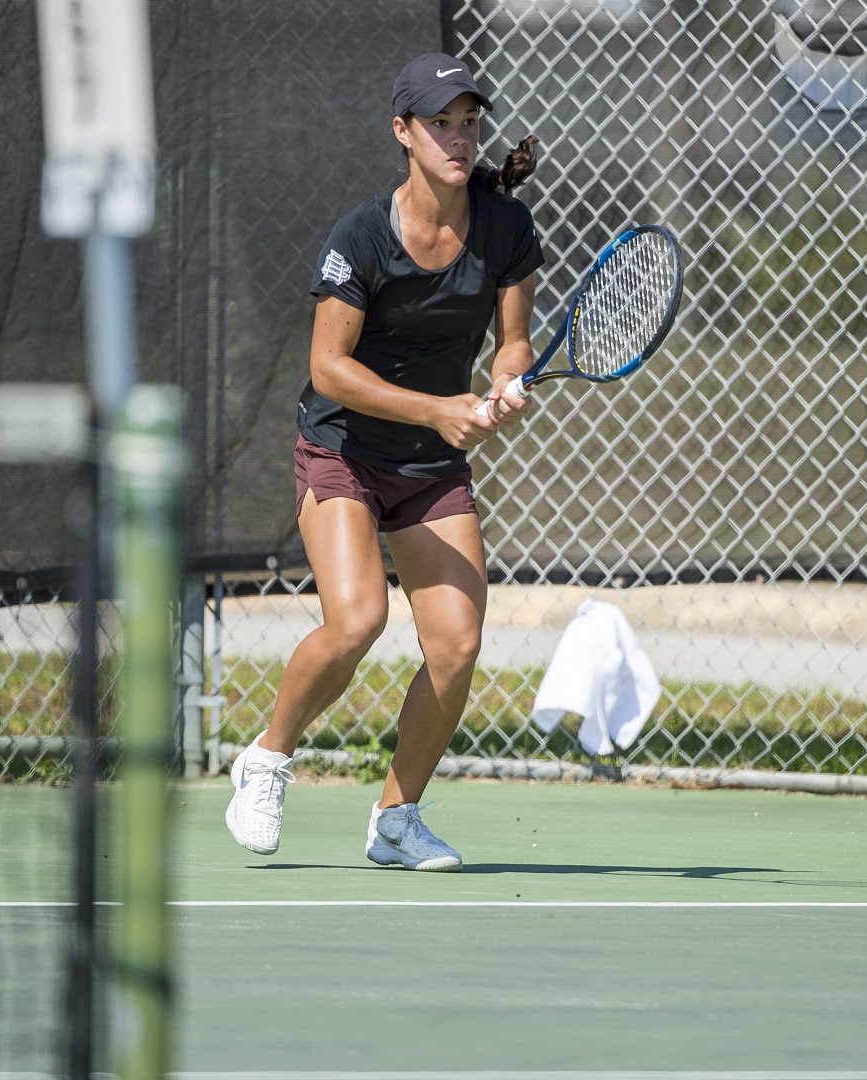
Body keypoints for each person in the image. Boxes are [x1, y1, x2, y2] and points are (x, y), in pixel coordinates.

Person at [224, 53, 543, 871]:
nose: (459, 137)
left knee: (456, 642)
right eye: (440, 122)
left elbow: (511, 341)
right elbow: (329, 368)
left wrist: (507, 384)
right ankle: (266, 759)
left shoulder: (505, 228)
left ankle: (397, 818)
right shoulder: (361, 236)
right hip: (345, 448)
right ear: (403, 133)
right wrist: (439, 409)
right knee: (359, 618)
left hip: (429, 466)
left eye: (469, 121)